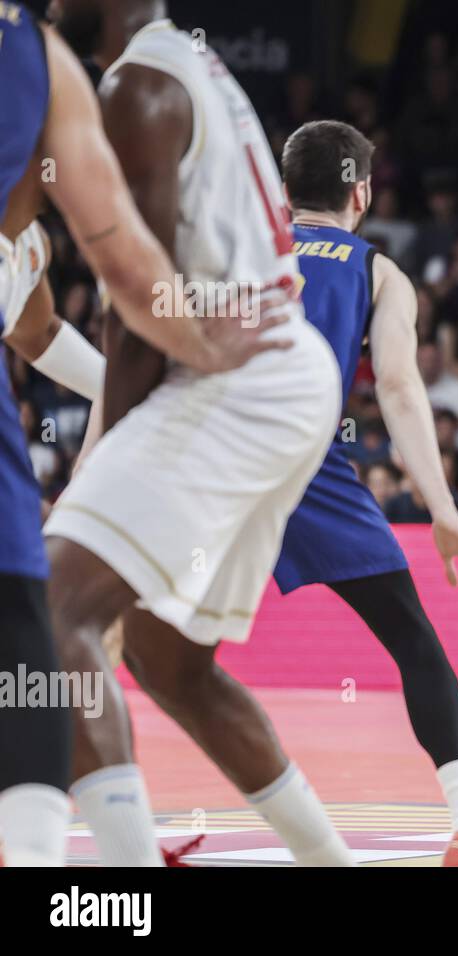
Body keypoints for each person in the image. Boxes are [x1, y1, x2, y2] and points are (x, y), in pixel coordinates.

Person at [124, 119, 458, 866]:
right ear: (362, 192)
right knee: (411, 640)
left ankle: (119, 828)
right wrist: (442, 511)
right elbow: (402, 389)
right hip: (308, 464)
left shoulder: (241, 250)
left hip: (209, 455)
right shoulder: (378, 272)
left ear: (283, 193)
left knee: (140, 647)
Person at [42, 1, 348, 867]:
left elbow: (143, 303)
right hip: (280, 369)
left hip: (233, 375)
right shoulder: (183, 63)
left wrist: (102, 462)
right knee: (168, 662)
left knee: (46, 615)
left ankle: (124, 888)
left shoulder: (136, 83)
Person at [0, 0, 279, 867]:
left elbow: (42, 339)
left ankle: (100, 854)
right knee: (35, 641)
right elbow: (128, 265)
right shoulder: (39, 57)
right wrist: (196, 343)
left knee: (36, 646)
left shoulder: (30, 252)